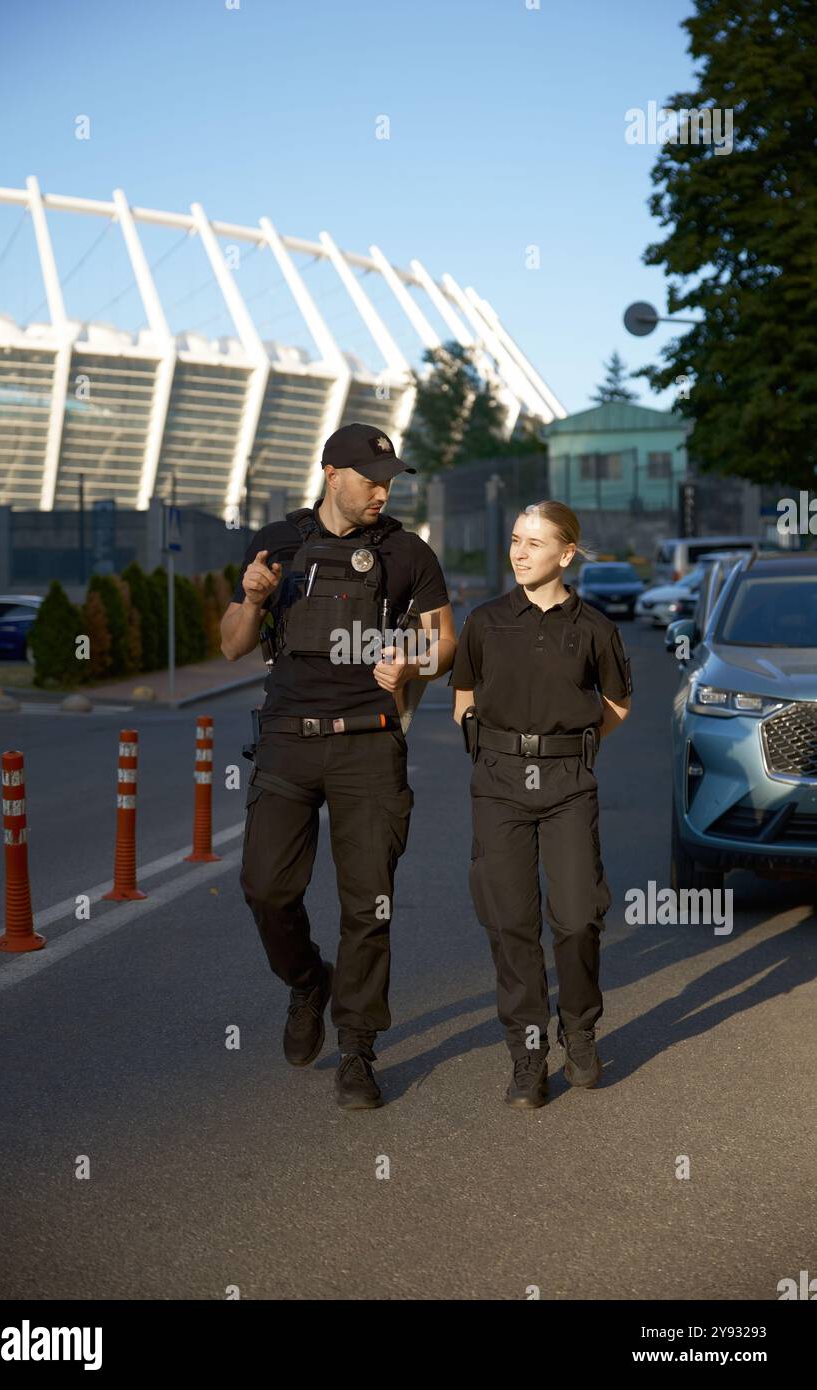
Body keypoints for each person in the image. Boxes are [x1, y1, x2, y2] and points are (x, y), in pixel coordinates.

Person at [220, 423, 456, 1110]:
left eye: (390, 480)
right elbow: (233, 645)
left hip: (369, 743)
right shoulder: (278, 542)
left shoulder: (408, 553)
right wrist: (254, 596)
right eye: (370, 477)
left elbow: (447, 645)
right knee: (265, 888)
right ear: (331, 472)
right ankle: (306, 982)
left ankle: (358, 1048)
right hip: (288, 740)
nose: (383, 490)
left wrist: (413, 661)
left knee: (368, 905)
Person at [449, 500, 632, 1110]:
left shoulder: (597, 628)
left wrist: (567, 749)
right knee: (510, 922)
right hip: (498, 780)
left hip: (567, 783)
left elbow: (617, 705)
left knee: (578, 916)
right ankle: (528, 1056)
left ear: (566, 553)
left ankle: (579, 1031)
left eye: (534, 542)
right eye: (515, 540)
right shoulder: (483, 620)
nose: (519, 552)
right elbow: (463, 699)